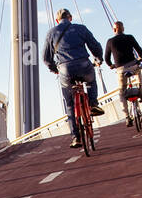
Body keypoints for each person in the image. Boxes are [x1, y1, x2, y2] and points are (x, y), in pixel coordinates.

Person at [42, 8, 105, 148]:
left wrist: (54, 69)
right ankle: (93, 103)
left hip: (65, 70)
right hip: (84, 64)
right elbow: (95, 46)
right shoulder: (81, 28)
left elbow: (46, 58)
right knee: (91, 81)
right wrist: (99, 58)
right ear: (70, 17)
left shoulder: (51, 33)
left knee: (70, 103)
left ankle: (76, 137)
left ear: (57, 20)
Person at [104, 21, 142, 122]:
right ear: (123, 29)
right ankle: (141, 92)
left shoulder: (110, 41)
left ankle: (127, 116)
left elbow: (106, 58)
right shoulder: (130, 37)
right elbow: (138, 49)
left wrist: (111, 65)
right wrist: (141, 57)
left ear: (114, 30)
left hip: (121, 69)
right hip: (133, 65)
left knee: (122, 91)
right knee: (139, 77)